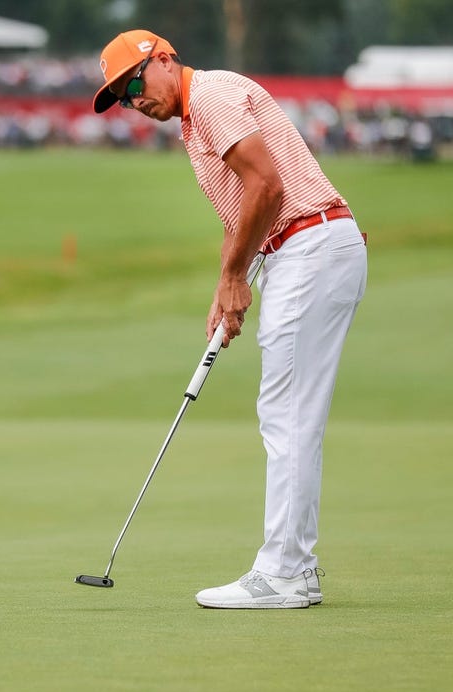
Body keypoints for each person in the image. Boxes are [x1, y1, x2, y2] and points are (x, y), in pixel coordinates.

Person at [92, 30, 367, 609]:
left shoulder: (211, 95)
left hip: (308, 246)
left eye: (134, 84)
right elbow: (243, 204)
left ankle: (284, 572)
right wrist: (229, 281)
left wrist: (235, 277)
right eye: (122, 98)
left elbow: (267, 186)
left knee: (286, 416)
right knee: (294, 417)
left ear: (165, 61)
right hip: (307, 249)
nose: (134, 102)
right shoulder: (196, 120)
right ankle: (299, 569)